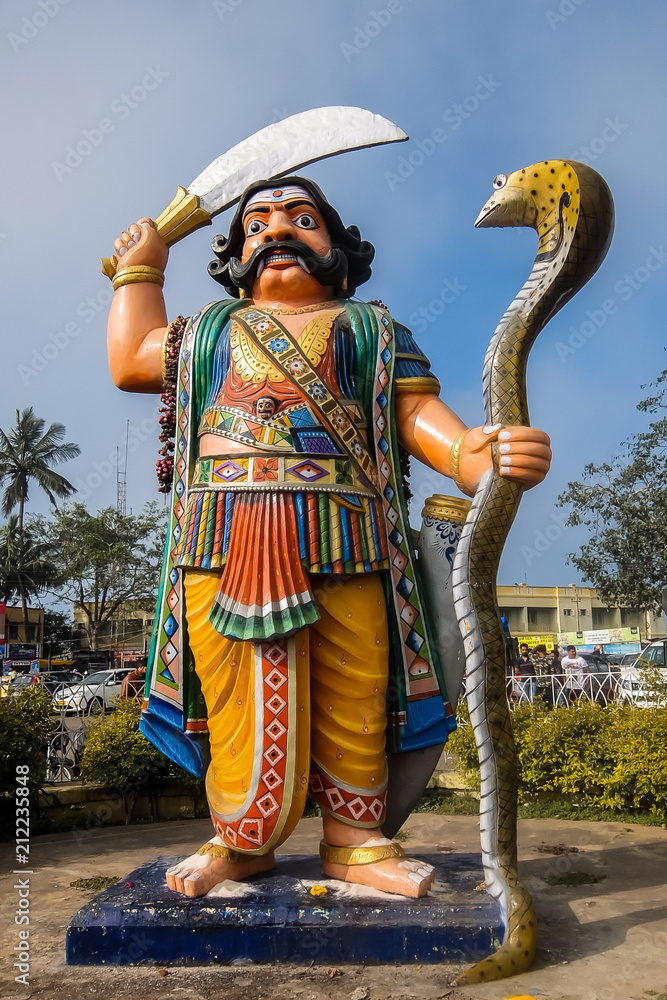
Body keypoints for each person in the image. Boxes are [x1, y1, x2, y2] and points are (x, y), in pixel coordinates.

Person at [106, 176, 551, 899]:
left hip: (346, 531)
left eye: (301, 218)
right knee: (231, 693)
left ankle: (354, 840)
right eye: (257, 224)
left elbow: (417, 419)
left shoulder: (371, 330)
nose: (277, 231)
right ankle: (240, 840)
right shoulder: (206, 332)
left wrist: (477, 455)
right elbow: (131, 360)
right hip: (223, 533)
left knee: (356, 686)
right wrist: (140, 270)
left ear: (340, 249)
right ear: (235, 257)